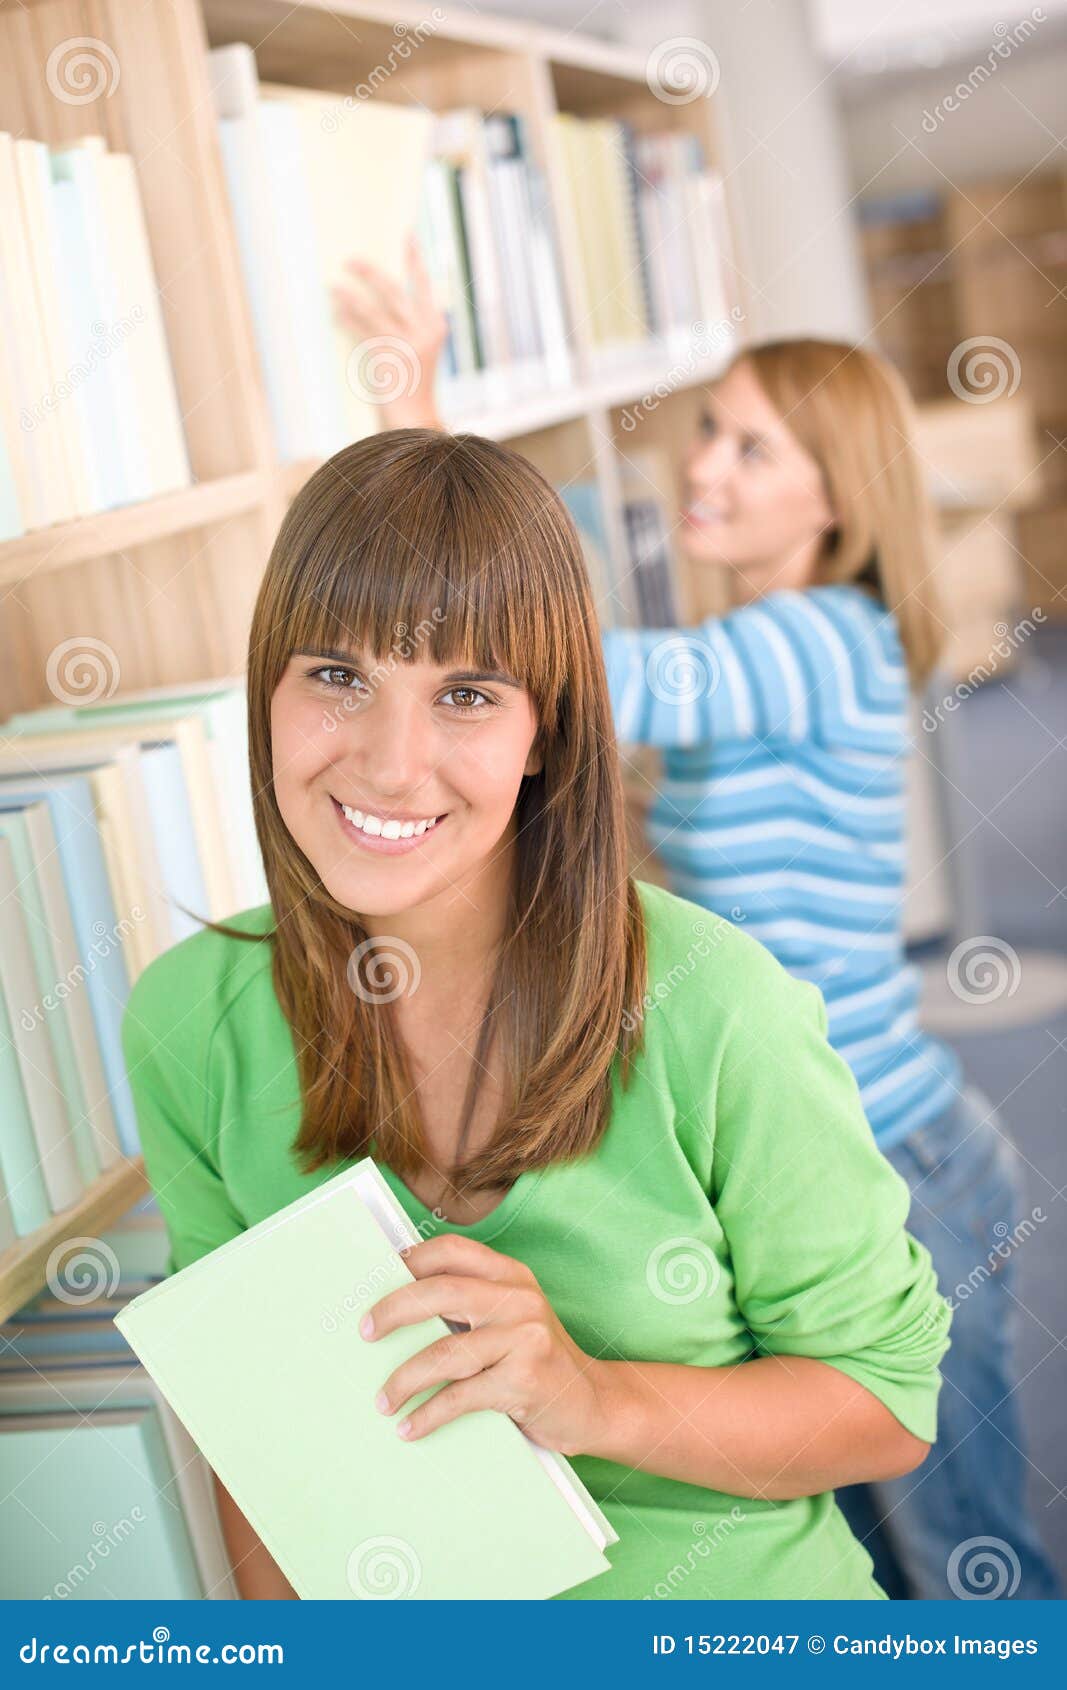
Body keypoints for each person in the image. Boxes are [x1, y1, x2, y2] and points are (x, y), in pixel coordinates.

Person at [332, 251, 1060, 1599]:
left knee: (955, 1558)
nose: (703, 467)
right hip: (814, 1136)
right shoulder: (778, 644)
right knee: (866, 1540)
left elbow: (591, 674)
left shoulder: (820, 636)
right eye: (708, 428)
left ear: (837, 495)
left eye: (749, 446)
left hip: (887, 1149)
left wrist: (424, 441)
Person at [122, 426, 949, 1601]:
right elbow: (253, 1436)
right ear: (265, 689)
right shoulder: (187, 1020)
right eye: (338, 676)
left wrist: (591, 1396)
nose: (392, 763)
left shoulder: (715, 1007)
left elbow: (880, 1405)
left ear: (543, 733)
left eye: (465, 693)